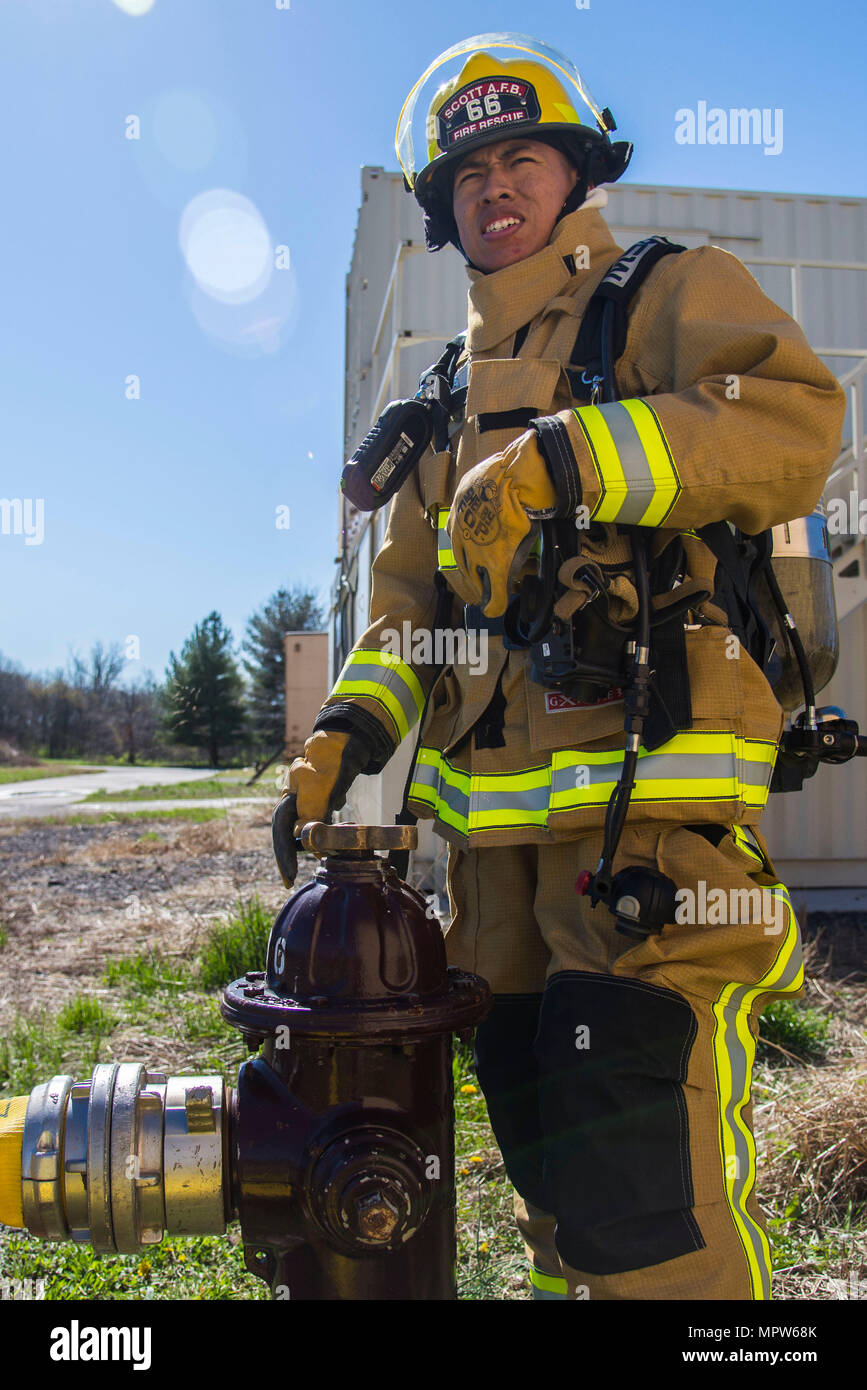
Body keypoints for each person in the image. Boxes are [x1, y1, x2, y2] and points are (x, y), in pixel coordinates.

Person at [274, 35, 846, 1300]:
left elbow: (795, 426)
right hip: (496, 870)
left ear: (576, 168)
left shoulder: (663, 294)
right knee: (552, 1161)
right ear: (443, 209)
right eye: (468, 171)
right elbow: (405, 616)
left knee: (646, 1195)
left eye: (521, 156)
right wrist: (344, 742)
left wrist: (572, 458)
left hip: (648, 832)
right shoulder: (437, 404)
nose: (495, 187)